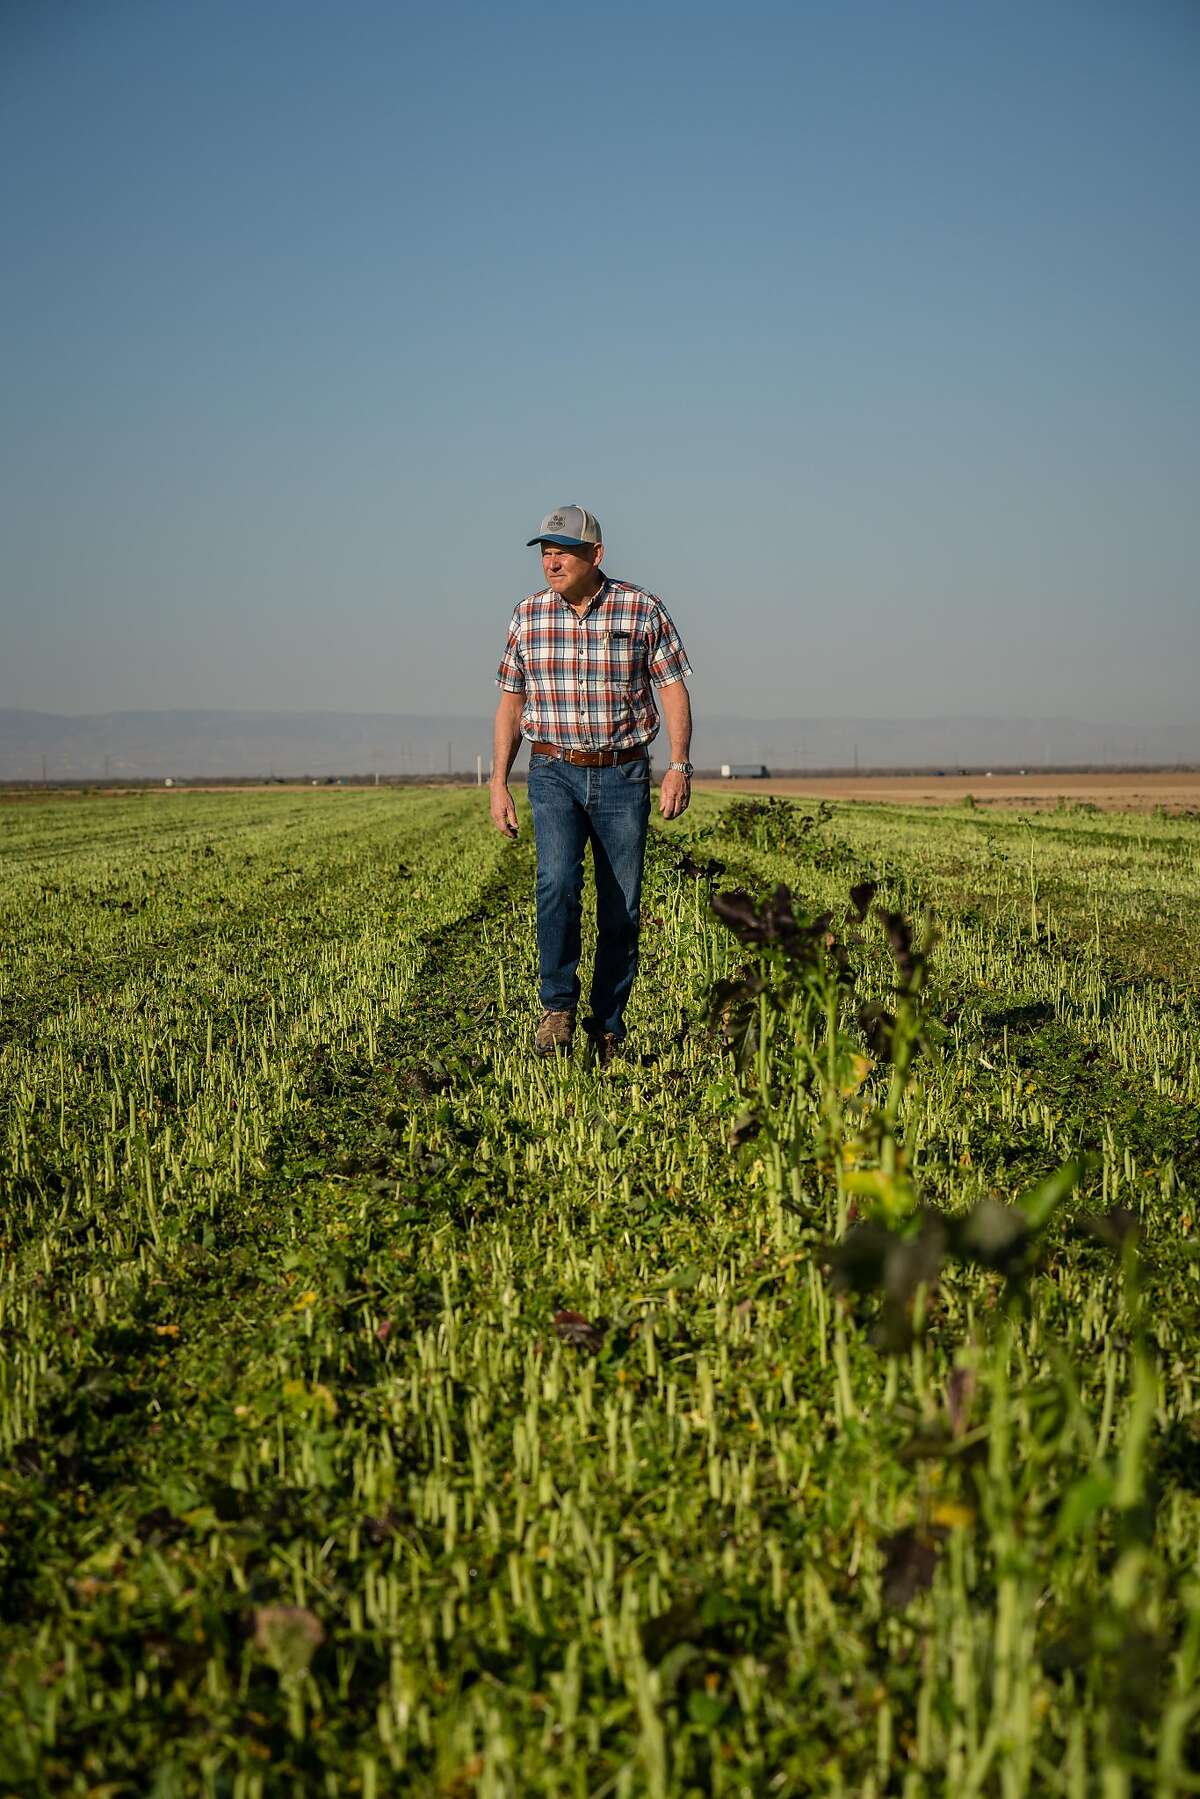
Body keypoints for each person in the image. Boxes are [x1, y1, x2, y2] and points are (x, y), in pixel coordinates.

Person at [490, 505, 694, 1065]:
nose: (552, 561)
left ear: (595, 555)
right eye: (545, 552)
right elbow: (511, 703)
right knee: (557, 883)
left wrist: (679, 764)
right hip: (552, 770)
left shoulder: (641, 609)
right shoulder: (527, 616)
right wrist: (498, 782)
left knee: (621, 906)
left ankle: (608, 1024)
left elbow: (673, 689)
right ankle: (556, 1006)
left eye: (564, 551)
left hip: (623, 773)